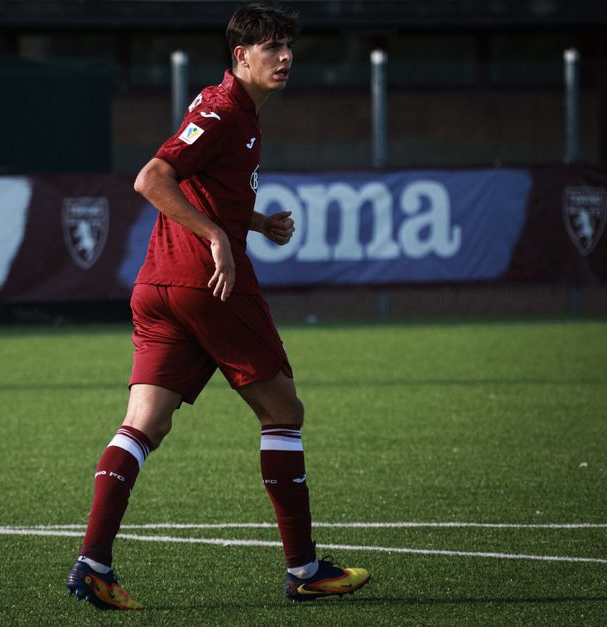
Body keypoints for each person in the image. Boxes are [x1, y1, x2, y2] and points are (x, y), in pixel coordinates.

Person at [65, 3, 371, 610]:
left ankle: (93, 564)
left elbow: (202, 184)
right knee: (283, 410)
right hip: (205, 285)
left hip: (158, 287)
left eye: (288, 47)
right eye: (270, 48)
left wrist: (251, 222)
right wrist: (218, 242)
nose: (284, 58)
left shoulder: (238, 112)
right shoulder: (223, 108)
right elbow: (152, 178)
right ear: (241, 56)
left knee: (143, 425)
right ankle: (305, 568)